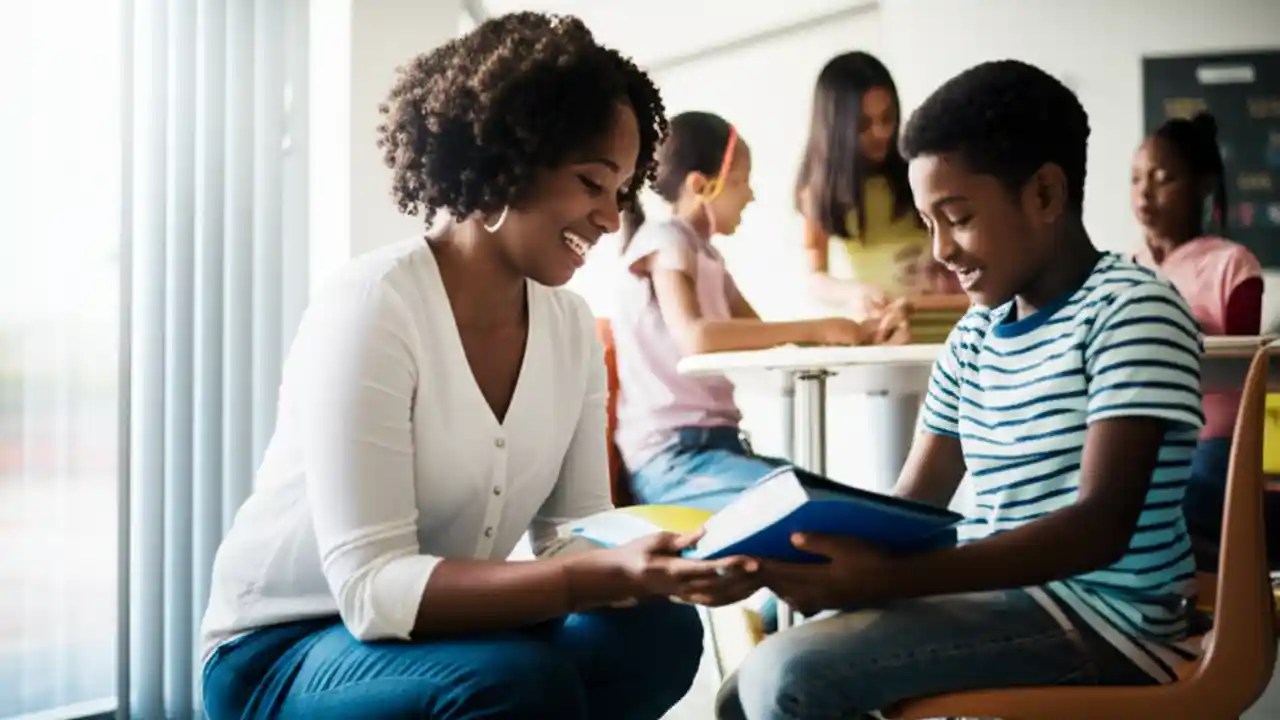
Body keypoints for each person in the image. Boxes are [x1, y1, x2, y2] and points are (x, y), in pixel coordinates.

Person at [200, 14, 761, 720]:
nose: (610, 217)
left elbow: (572, 536)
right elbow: (372, 590)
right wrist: (584, 582)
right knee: (512, 681)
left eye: (621, 192)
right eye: (592, 182)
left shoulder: (568, 330)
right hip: (286, 649)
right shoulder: (374, 304)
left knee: (657, 634)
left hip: (445, 632)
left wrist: (666, 559)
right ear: (508, 158)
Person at [718, 60, 1205, 720]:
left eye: (958, 217)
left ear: (1044, 195)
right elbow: (912, 505)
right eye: (928, 222)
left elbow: (1097, 532)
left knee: (790, 677)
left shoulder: (1132, 309)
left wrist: (884, 581)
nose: (941, 249)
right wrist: (793, 558)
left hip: (1108, 620)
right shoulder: (976, 335)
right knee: (742, 688)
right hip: (1015, 601)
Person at [613, 110, 908, 512]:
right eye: (740, 181)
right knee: (819, 510)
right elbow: (697, 339)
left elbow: (762, 336)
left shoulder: (709, 256)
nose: (750, 195)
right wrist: (819, 328)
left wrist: (861, 331)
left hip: (721, 449)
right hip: (673, 458)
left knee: (857, 505)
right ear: (702, 186)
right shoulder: (665, 241)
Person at [1132, 112, 1262, 565]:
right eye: (1136, 179)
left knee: (1175, 506)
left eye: (1162, 178)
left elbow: (1243, 368)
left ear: (1202, 186)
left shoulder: (1233, 265)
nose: (1144, 193)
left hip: (1213, 443)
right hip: (1136, 439)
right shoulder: (1125, 271)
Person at [795, 51, 966, 323]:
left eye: (888, 118)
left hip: (953, 313)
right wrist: (854, 292)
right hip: (892, 324)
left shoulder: (916, 166)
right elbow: (816, 278)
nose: (881, 132)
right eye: (863, 125)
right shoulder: (818, 191)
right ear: (835, 128)